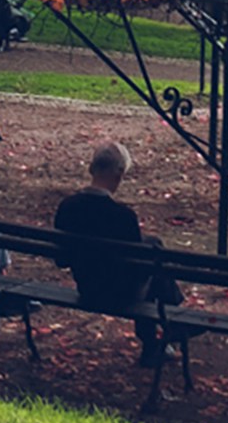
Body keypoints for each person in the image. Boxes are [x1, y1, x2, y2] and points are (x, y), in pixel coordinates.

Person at [52, 141, 179, 365]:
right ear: (118, 174)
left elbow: (61, 260)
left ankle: (165, 332)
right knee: (155, 264)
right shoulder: (123, 216)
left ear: (92, 169)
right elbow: (136, 271)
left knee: (152, 247)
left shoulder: (68, 206)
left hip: (87, 287)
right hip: (119, 294)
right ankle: (160, 336)